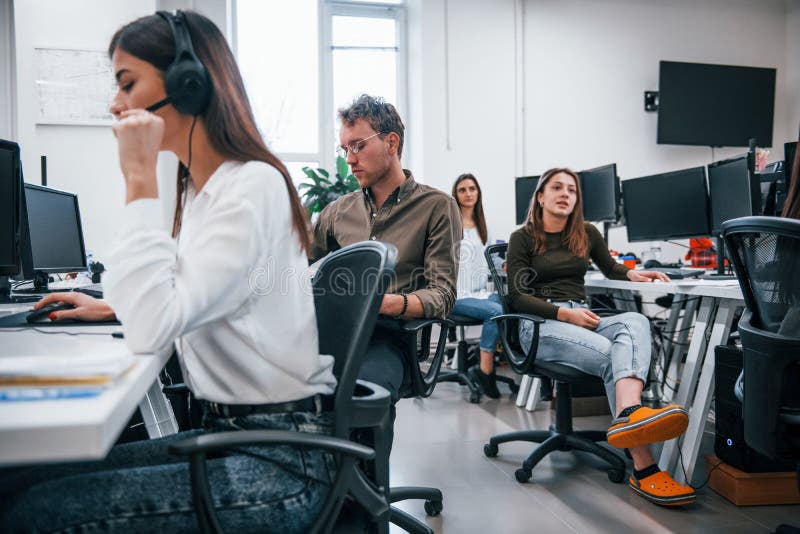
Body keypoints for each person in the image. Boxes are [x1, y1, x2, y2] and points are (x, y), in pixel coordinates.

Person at [0, 11, 337, 532]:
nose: (115, 103)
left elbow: (153, 327)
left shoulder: (251, 186)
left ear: (188, 81)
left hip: (276, 466)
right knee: (15, 479)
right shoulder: (205, 191)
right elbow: (194, 293)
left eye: (126, 83)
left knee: (33, 513)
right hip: (233, 437)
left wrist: (137, 177)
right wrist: (114, 304)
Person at [507, 167, 695, 507]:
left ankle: (629, 416)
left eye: (572, 190)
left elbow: (611, 268)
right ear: (540, 196)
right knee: (613, 354)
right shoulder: (522, 237)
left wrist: (635, 273)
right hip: (540, 323)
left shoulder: (587, 233)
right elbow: (517, 297)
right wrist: (565, 314)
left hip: (581, 314)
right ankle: (645, 468)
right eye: (557, 188)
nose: (566, 194)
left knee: (634, 321)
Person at [310, 94, 461, 445]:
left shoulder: (436, 206)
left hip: (391, 338)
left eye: (357, 146)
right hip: (333, 334)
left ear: (391, 142)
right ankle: (323, 490)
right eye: (344, 149)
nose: (349, 159)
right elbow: (303, 269)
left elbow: (443, 294)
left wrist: (378, 301)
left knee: (364, 398)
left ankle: (366, 495)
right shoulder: (336, 212)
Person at [449, 173, 505, 399]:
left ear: (478, 192)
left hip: (480, 293)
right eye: (462, 190)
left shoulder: (485, 228)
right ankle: (485, 371)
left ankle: (487, 368)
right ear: (456, 195)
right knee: (497, 312)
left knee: (511, 306)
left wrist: (507, 264)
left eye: (472, 188)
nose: (468, 193)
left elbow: (494, 259)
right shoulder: (449, 225)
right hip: (455, 296)